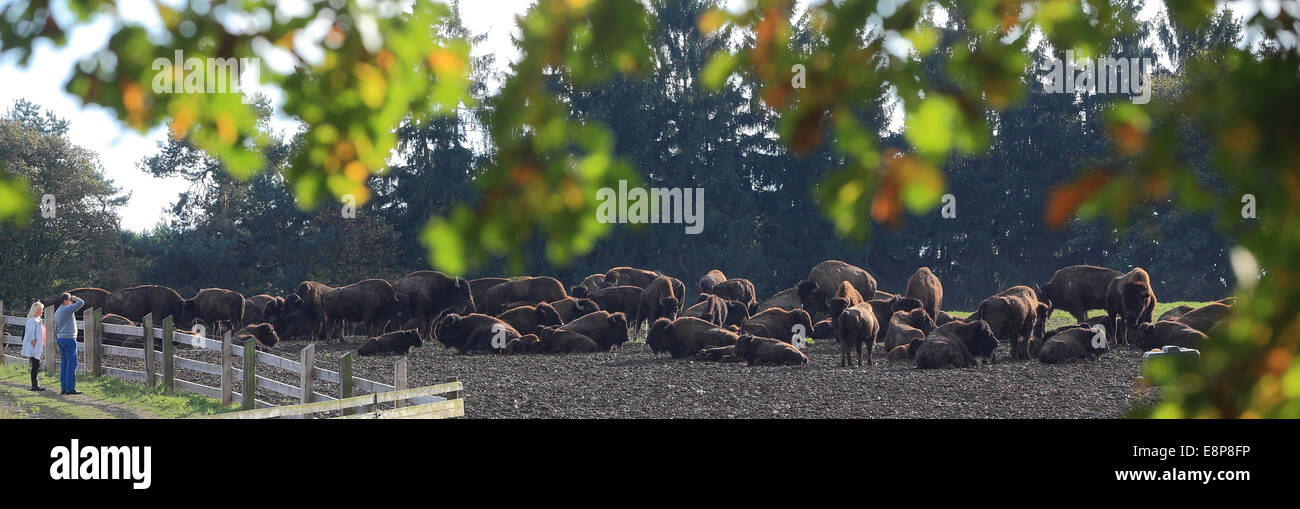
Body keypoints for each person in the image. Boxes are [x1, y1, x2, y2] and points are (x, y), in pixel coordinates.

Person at [53, 293, 84, 395]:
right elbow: (81, 303)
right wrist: (75, 298)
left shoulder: (57, 312)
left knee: (64, 364)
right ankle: (70, 388)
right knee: (71, 364)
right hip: (69, 339)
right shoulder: (67, 309)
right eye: (70, 300)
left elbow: (56, 328)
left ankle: (63, 387)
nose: (71, 301)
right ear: (66, 300)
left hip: (60, 339)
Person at [20, 301, 46, 391]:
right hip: (34, 347)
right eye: (41, 309)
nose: (42, 311)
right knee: (35, 365)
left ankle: (36, 384)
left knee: (36, 365)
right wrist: (34, 345)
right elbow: (31, 335)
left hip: (38, 346)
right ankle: (34, 385)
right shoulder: (31, 320)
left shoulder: (38, 320)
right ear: (37, 310)